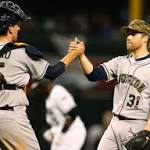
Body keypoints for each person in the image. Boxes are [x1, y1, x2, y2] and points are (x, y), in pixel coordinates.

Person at [0, 1, 84, 150]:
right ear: (9, 27)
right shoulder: (21, 51)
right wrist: (74, 53)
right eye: (17, 24)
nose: (19, 27)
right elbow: (52, 73)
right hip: (11, 117)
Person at [69, 19, 150, 150]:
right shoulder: (119, 62)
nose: (129, 37)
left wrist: (147, 131)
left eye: (134, 34)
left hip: (136, 125)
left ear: (145, 37)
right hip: (114, 123)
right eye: (128, 34)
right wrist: (81, 55)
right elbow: (93, 75)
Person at [34, 80, 87, 150]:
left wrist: (61, 132)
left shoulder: (57, 91)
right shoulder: (48, 96)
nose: (39, 90)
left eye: (40, 87)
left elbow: (72, 113)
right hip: (63, 133)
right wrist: (53, 131)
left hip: (72, 132)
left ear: (47, 83)